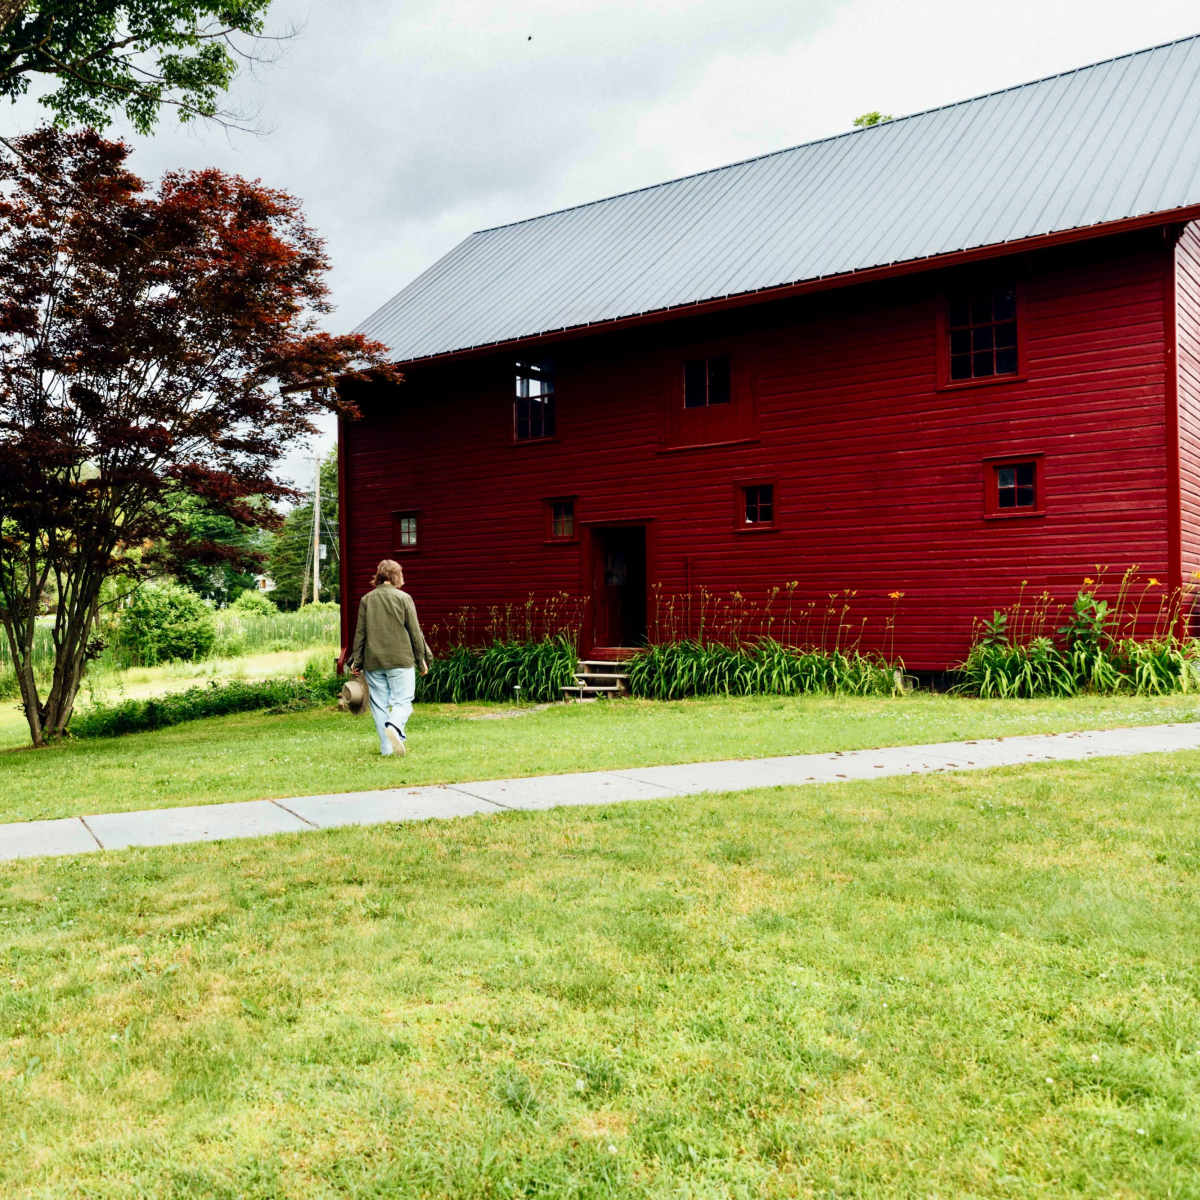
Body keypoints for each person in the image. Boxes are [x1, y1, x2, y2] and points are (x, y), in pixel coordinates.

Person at [347, 559, 431, 756]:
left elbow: (360, 633)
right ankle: (394, 726)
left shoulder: (366, 599)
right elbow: (415, 632)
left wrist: (356, 661)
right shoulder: (404, 598)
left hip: (373, 662)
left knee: (379, 705)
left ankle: (387, 749)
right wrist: (422, 659)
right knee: (403, 701)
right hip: (401, 659)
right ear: (395, 576)